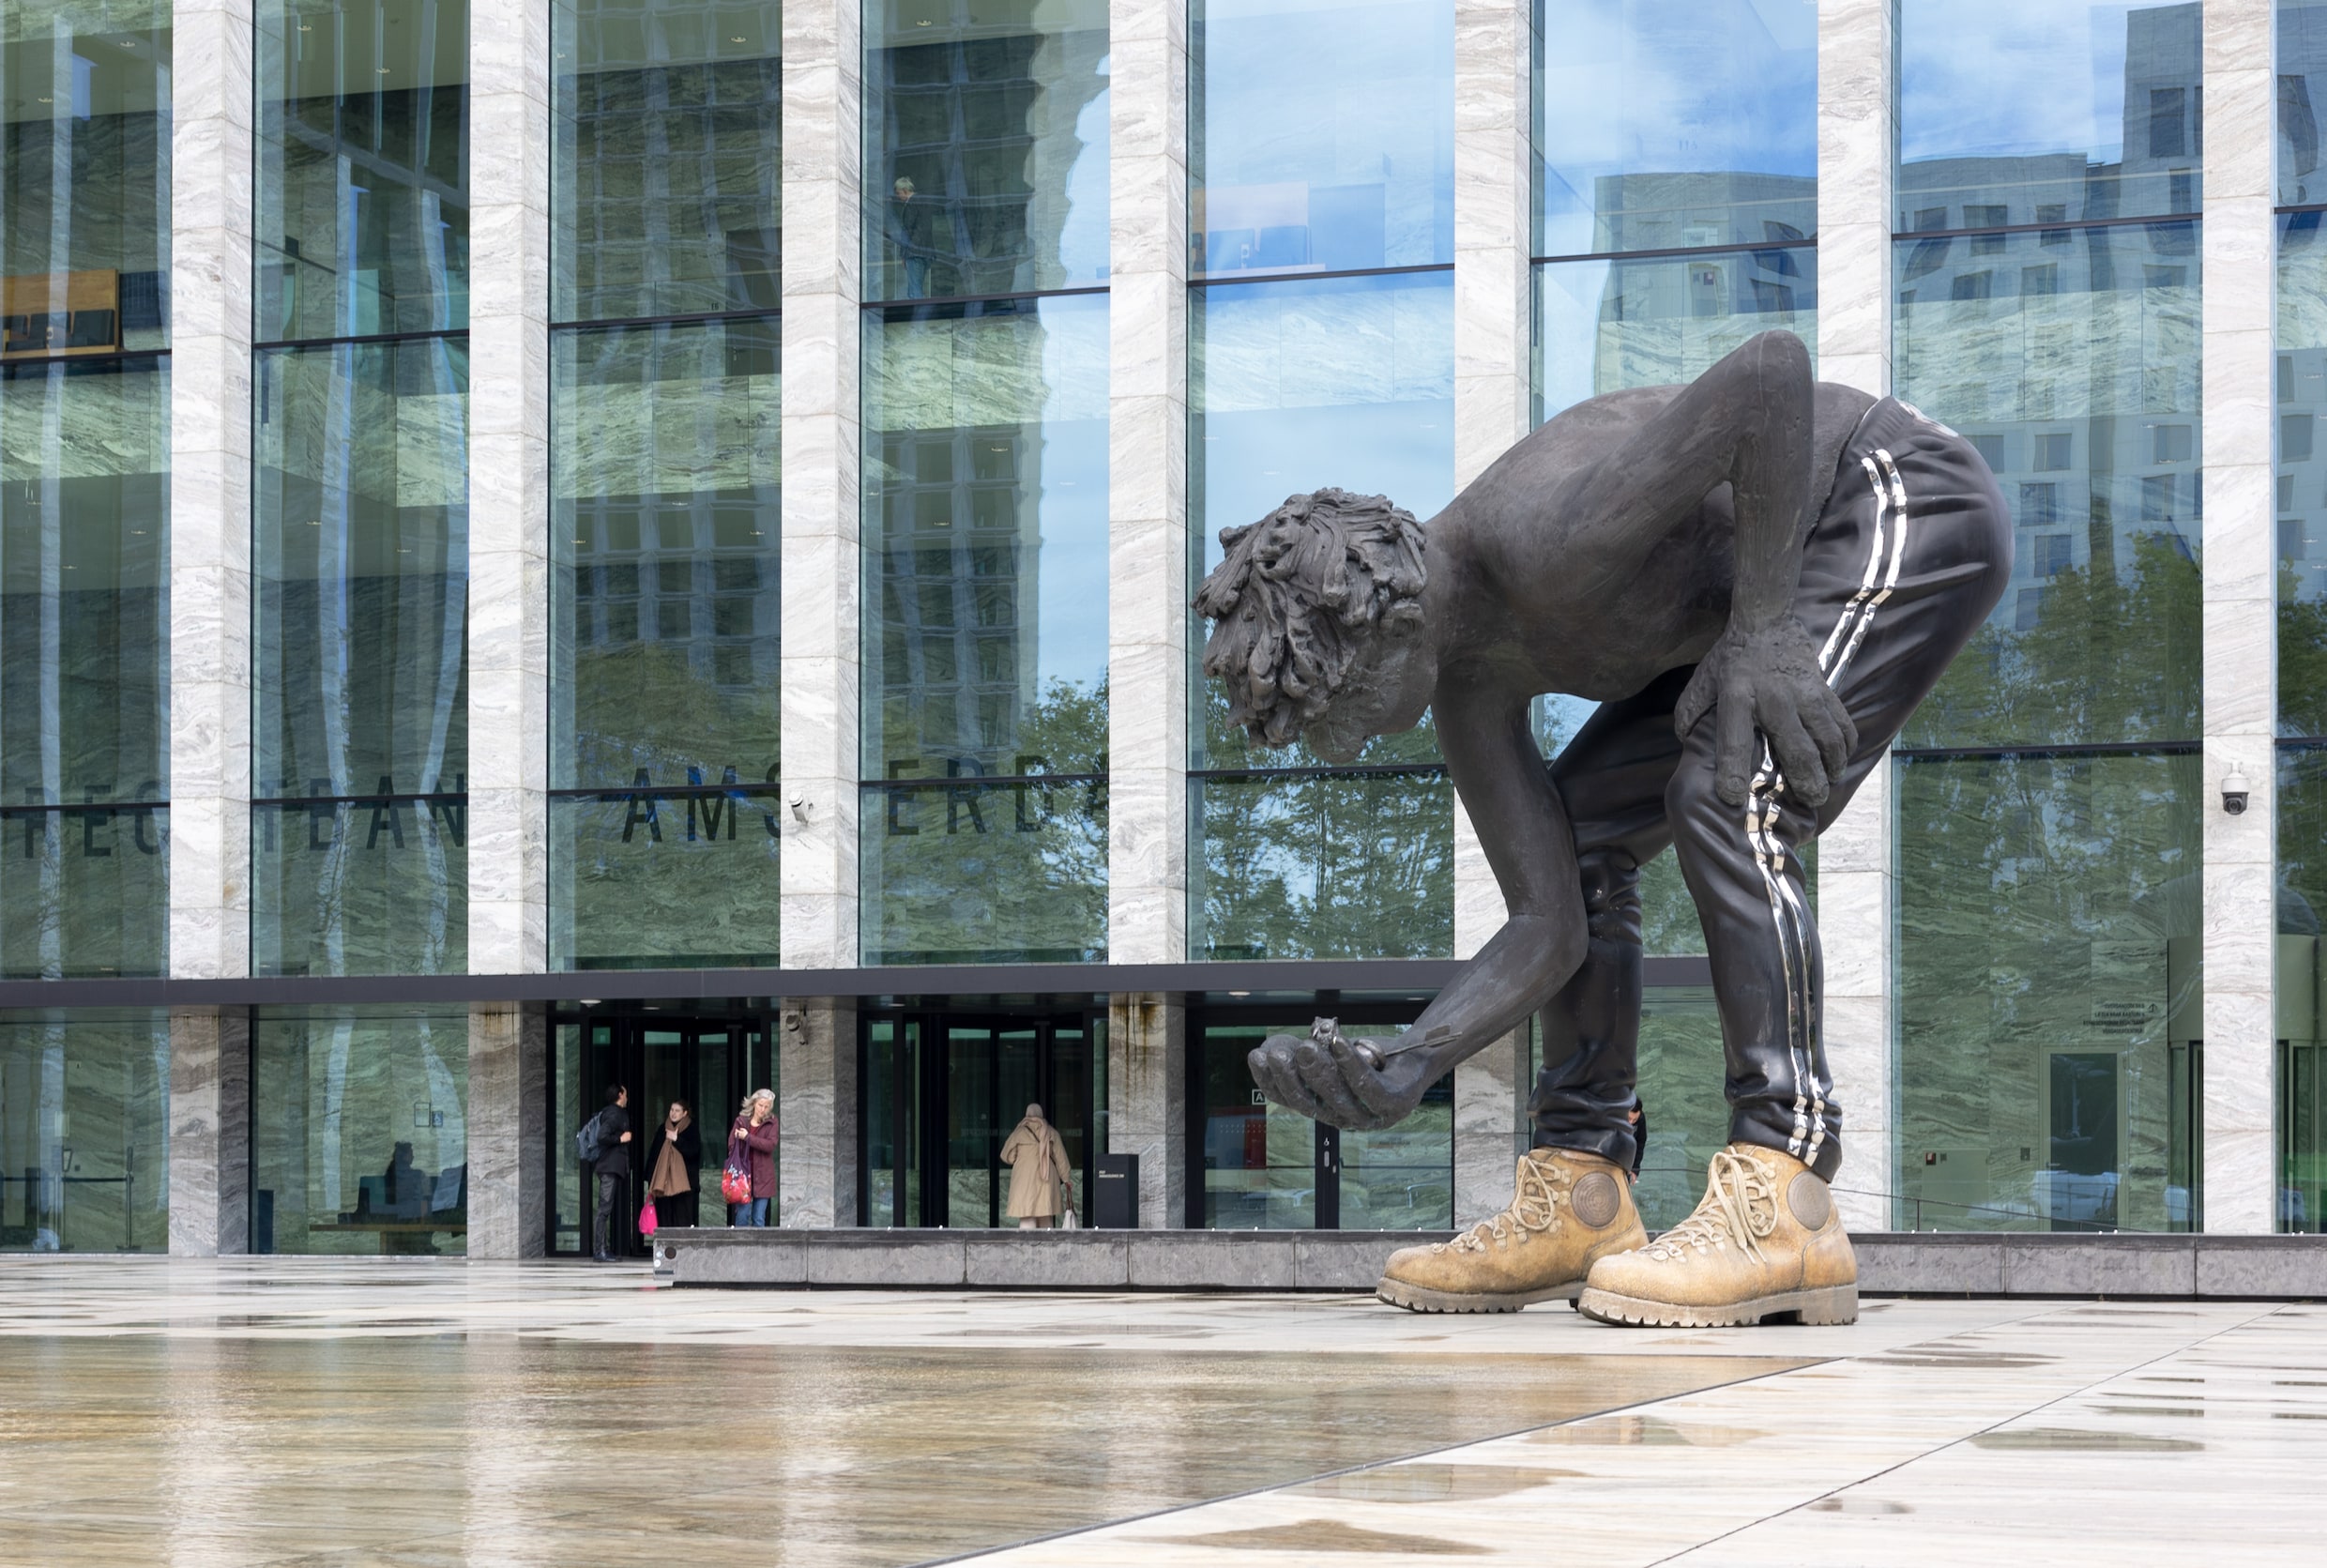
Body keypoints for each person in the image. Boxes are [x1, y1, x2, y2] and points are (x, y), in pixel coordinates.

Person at [1197, 329, 2009, 1326]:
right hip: (1761, 581)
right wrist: (1411, 1058)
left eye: (1339, 706)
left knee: (1728, 785)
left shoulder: (1546, 537)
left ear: (1385, 625)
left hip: (1890, 494)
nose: (1342, 742)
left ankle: (1784, 1191)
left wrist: (1761, 631)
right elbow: (1547, 924)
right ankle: (1581, 1195)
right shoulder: (1467, 681)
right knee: (1579, 838)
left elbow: (1768, 376)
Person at [1000, 1103, 1072, 1229]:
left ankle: (1028, 1241)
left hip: (1024, 1178)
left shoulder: (1019, 1132)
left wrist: (1020, 1158)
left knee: (1027, 1214)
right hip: (1046, 1177)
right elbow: (1061, 1158)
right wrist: (1066, 1178)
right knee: (1045, 1215)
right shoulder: (1051, 1132)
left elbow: (1006, 1155)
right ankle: (1046, 1241)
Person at [592, 1084, 633, 1262]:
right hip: (609, 1167)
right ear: (620, 1095)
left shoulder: (613, 1112)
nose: (627, 1098)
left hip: (612, 1167)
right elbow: (602, 1136)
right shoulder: (614, 1114)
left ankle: (604, 1249)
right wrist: (620, 1139)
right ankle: (599, 1250)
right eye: (626, 1094)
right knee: (604, 1209)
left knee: (605, 1208)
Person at [646, 1100, 701, 1230]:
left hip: (684, 1184)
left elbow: (694, 1152)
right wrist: (651, 1178)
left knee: (683, 1219)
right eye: (672, 1110)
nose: (673, 1113)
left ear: (684, 1113)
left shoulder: (691, 1129)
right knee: (664, 1219)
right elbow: (654, 1155)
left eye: (677, 1111)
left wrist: (677, 1140)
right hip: (663, 1184)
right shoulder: (663, 1129)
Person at [729, 1088, 778, 1226]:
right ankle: (740, 1241)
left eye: (766, 1106)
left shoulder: (772, 1122)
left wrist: (748, 1138)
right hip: (743, 1174)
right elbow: (731, 1145)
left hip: (763, 1175)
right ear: (754, 1103)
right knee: (742, 1215)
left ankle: (758, 1242)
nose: (763, 1109)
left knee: (758, 1217)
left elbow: (770, 1145)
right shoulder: (741, 1121)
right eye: (760, 1105)